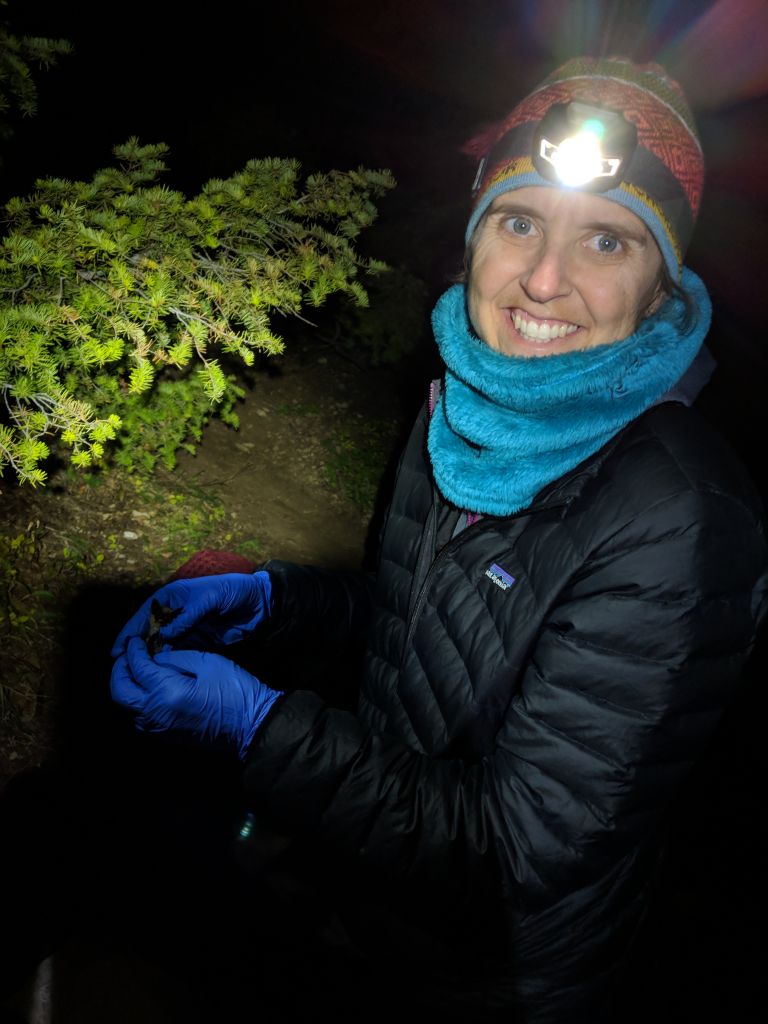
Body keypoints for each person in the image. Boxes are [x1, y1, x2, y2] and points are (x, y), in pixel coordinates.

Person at [111, 57, 768, 1022]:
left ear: (661, 289)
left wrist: (260, 728)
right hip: (364, 888)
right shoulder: (460, 403)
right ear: (475, 235)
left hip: (487, 968)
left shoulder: (682, 519)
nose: (544, 281)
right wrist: (272, 600)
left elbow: (518, 844)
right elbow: (413, 622)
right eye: (518, 222)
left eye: (606, 242)